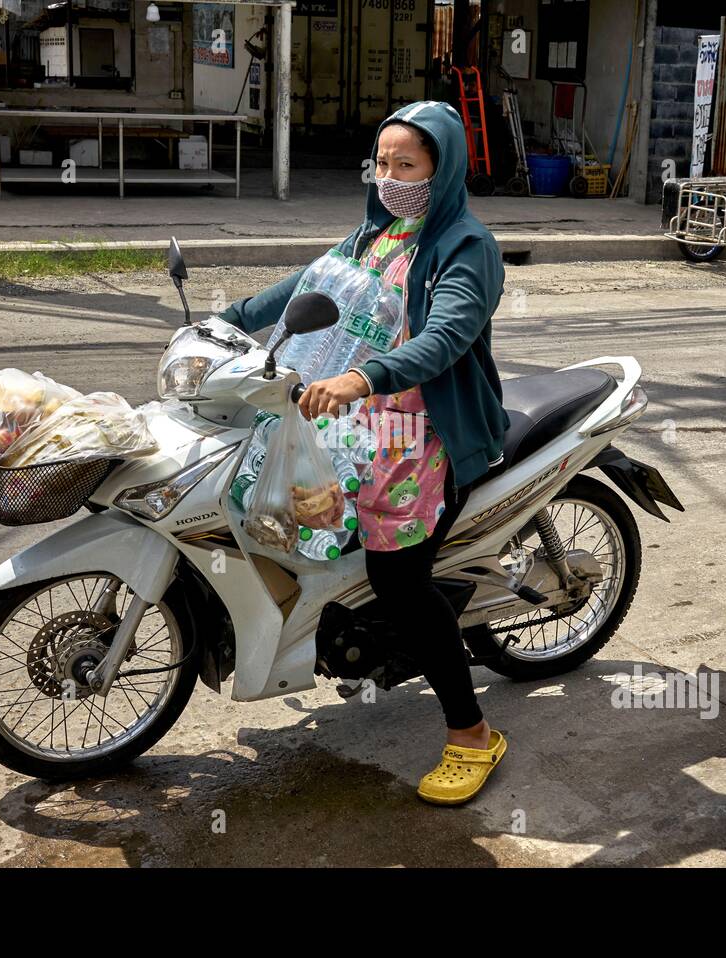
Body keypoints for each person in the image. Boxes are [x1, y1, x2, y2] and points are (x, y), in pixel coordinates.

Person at [219, 100, 511, 805]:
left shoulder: (465, 248)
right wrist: (224, 322)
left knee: (398, 580)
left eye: (405, 165)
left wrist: (358, 379)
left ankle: (472, 732)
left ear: (441, 170)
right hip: (357, 421)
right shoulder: (374, 236)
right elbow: (304, 291)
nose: (389, 177)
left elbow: (444, 340)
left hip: (422, 434)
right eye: (381, 163)